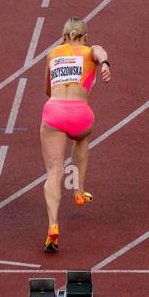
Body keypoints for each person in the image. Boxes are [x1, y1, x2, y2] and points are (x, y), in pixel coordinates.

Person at [40, 18, 111, 253]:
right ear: (86, 37)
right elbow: (100, 51)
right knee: (81, 138)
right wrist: (104, 64)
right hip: (81, 115)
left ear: (63, 37)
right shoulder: (91, 51)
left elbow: (47, 90)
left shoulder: (53, 54)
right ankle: (79, 191)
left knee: (53, 172)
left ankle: (52, 226)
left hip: (54, 112)